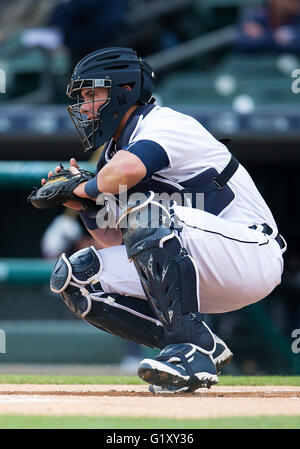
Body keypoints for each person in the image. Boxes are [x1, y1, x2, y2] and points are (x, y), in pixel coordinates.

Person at [45, 47, 286, 393]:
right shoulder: (112, 155)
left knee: (148, 212)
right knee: (77, 277)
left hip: (251, 253)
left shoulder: (164, 123)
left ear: (123, 91)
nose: (84, 105)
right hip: (197, 267)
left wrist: (83, 187)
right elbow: (119, 242)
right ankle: (194, 343)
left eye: (92, 93)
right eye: (82, 96)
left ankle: (189, 345)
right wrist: (83, 204)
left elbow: (129, 173)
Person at [235, 0, 300, 54]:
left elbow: (297, 45)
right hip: (256, 65)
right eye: (291, 1)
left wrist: (263, 36)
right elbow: (240, 42)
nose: (296, 3)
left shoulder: (297, 18)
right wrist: (275, 38)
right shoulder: (256, 16)